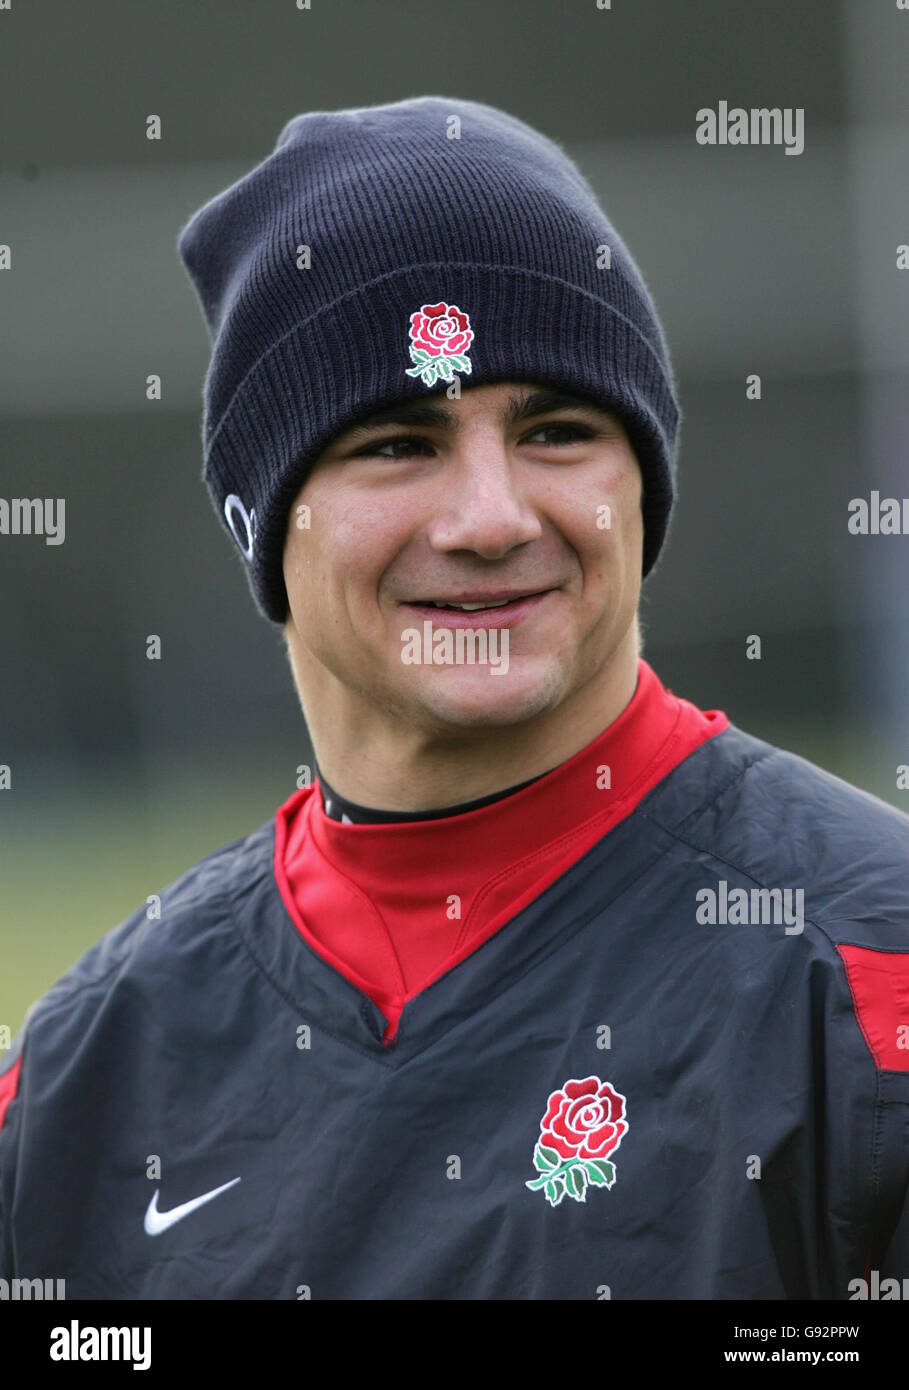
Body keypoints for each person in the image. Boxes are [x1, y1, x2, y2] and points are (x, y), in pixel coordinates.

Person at [1, 96, 907, 1301]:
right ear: (266, 522)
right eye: (397, 441)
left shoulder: (868, 979)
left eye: (559, 429)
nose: (490, 518)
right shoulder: (75, 1085)